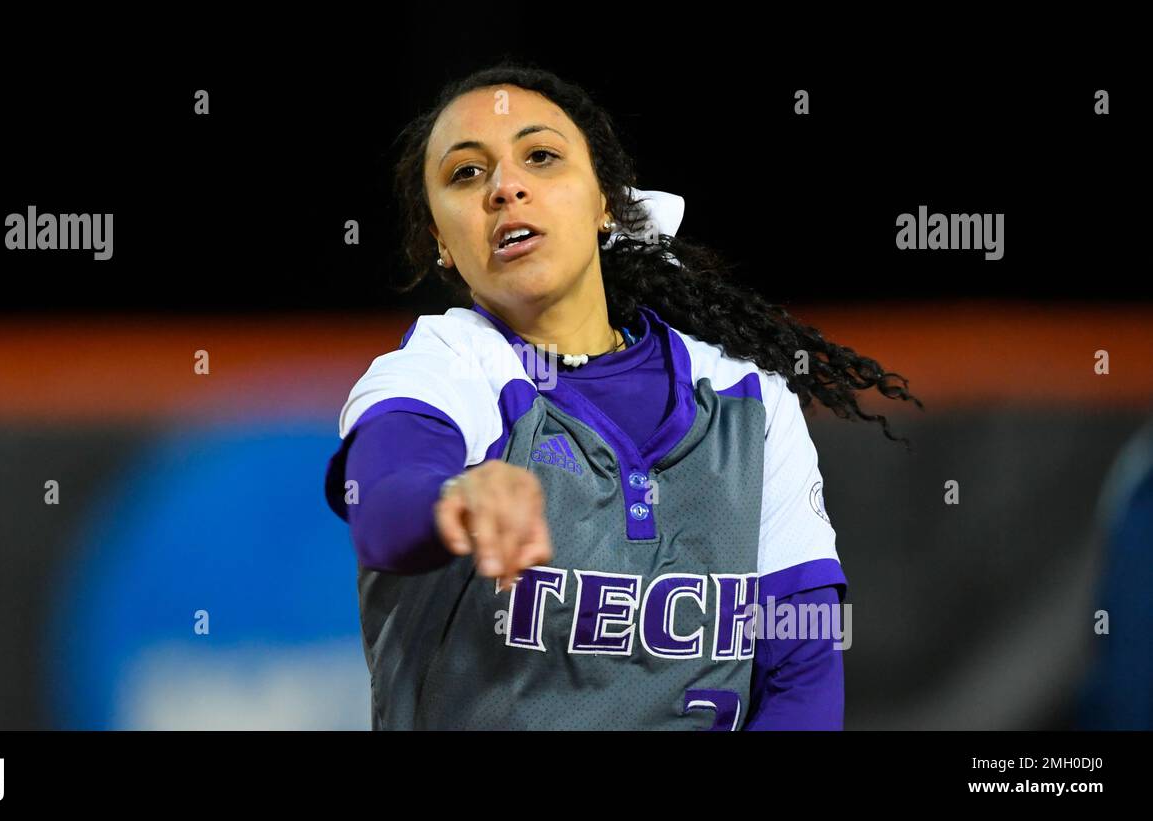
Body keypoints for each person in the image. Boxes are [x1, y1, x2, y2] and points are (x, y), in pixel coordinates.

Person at [324, 61, 922, 730]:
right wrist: (453, 501)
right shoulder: (448, 364)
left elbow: (802, 665)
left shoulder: (745, 392)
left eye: (541, 157)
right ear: (440, 240)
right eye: (466, 173)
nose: (506, 187)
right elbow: (378, 508)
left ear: (605, 200)